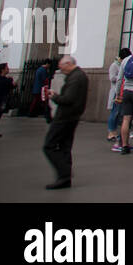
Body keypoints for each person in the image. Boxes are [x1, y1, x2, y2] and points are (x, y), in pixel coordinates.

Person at [43, 55, 88, 189]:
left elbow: (68, 99)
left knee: (49, 145)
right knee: (64, 146)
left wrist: (54, 96)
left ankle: (64, 173)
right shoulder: (78, 76)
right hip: (72, 115)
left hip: (65, 116)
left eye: (62, 66)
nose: (60, 69)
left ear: (69, 64)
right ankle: (64, 178)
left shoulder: (76, 78)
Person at [105, 47, 130, 143]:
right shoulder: (114, 65)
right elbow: (112, 78)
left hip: (122, 90)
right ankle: (111, 132)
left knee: (119, 113)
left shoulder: (123, 65)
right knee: (114, 112)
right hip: (116, 91)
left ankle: (115, 132)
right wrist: (121, 77)